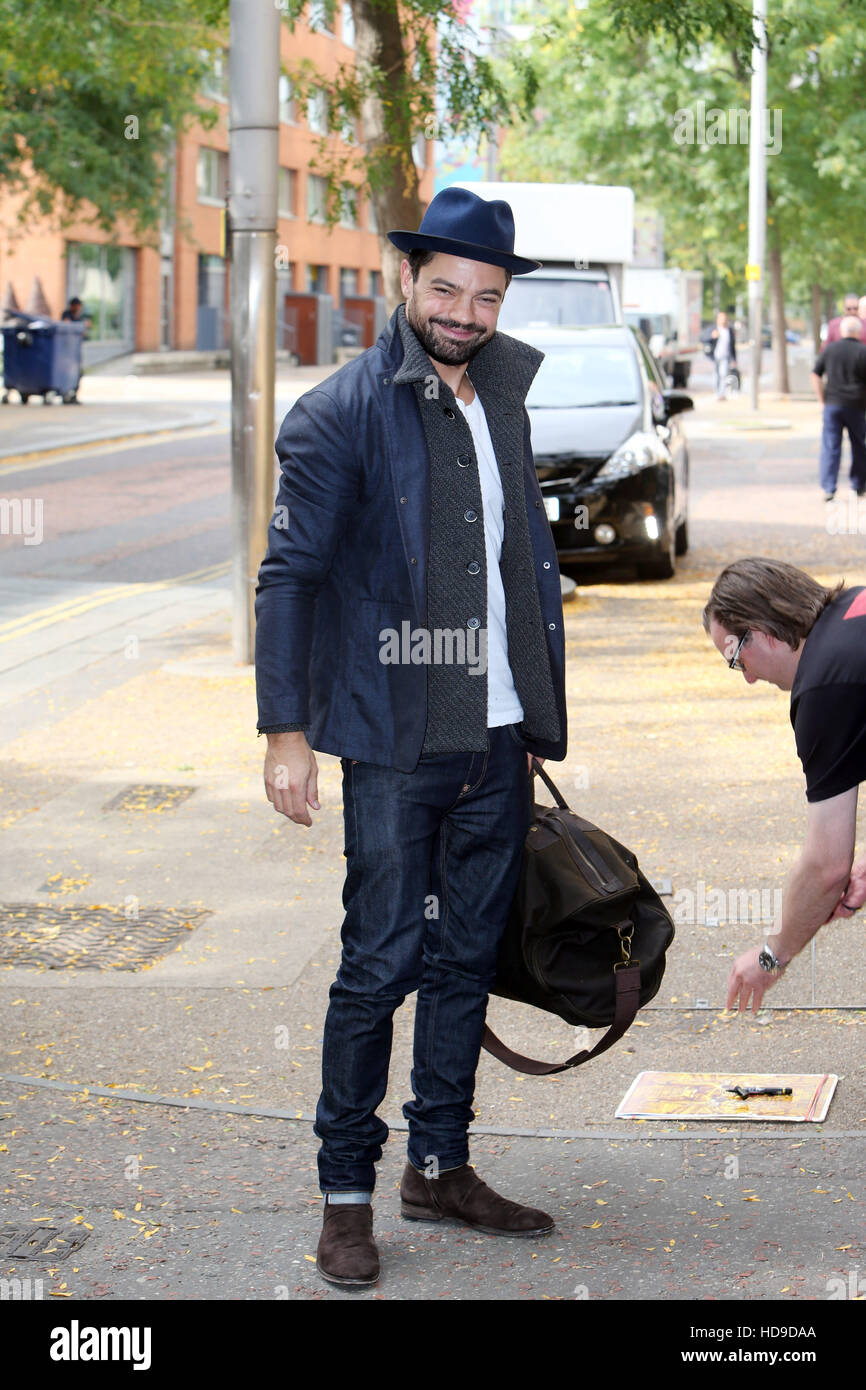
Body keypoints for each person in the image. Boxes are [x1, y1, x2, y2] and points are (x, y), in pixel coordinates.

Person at [254, 186, 568, 1288]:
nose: (464, 311)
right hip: (390, 737)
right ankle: (345, 1196)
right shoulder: (340, 411)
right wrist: (285, 730)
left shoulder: (504, 402)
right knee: (378, 962)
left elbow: (514, 572)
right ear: (404, 283)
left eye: (484, 295)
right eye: (444, 288)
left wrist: (529, 718)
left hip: (490, 737)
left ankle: (438, 1163)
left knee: (463, 957)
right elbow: (287, 576)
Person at [703, 558, 866, 1015]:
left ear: (762, 631)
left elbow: (827, 865)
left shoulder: (823, 687)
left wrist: (772, 955)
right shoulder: (853, 607)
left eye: (737, 659)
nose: (749, 677)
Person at [810, 315, 866, 500]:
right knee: (858, 445)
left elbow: (816, 374)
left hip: (832, 404)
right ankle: (857, 485)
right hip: (856, 405)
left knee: (830, 445)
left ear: (842, 332)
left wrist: (822, 399)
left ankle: (829, 487)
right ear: (859, 332)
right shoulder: (863, 351)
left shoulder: (830, 349)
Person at [709, 311, 737, 399]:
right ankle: (717, 392)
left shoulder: (729, 331)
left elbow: (732, 345)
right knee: (716, 375)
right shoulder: (714, 329)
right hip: (716, 356)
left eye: (724, 318)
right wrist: (712, 337)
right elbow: (705, 339)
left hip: (725, 356)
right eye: (721, 318)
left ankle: (721, 393)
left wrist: (734, 359)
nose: (723, 320)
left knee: (723, 374)